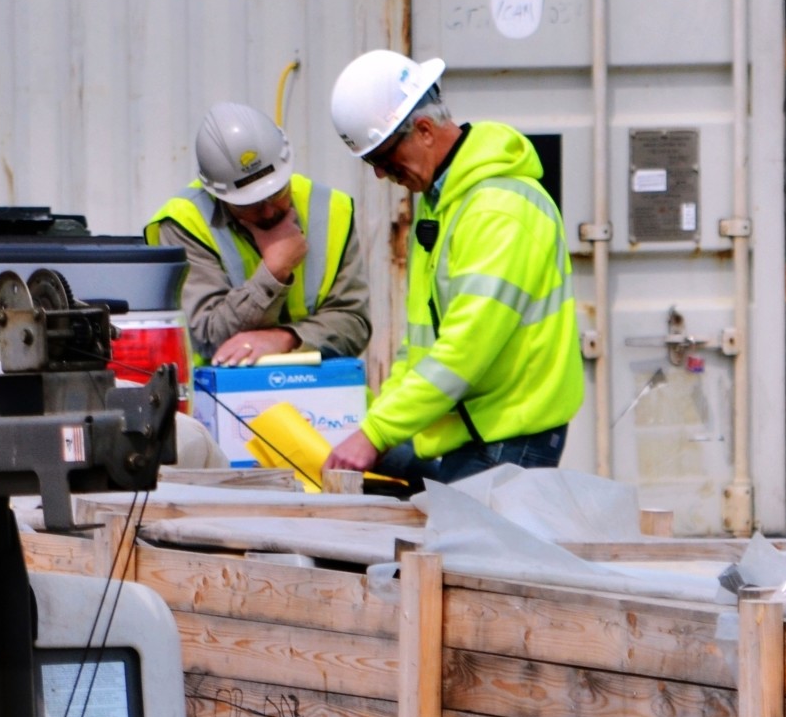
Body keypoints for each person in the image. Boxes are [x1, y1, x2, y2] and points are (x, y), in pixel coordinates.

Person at [323, 50, 584, 485]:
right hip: (476, 426)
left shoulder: (496, 210)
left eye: (385, 159)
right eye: (372, 164)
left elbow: (465, 350)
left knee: (470, 552)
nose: (382, 176)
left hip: (508, 433)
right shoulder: (443, 203)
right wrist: (380, 426)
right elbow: (421, 345)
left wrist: (377, 432)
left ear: (424, 130)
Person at [146, 102, 370, 366]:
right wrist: (274, 271)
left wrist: (286, 338)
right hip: (224, 398)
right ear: (216, 193)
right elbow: (207, 335)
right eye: (249, 203)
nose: (267, 211)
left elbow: (354, 322)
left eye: (276, 193)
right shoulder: (185, 224)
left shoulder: (330, 210)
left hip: (323, 396)